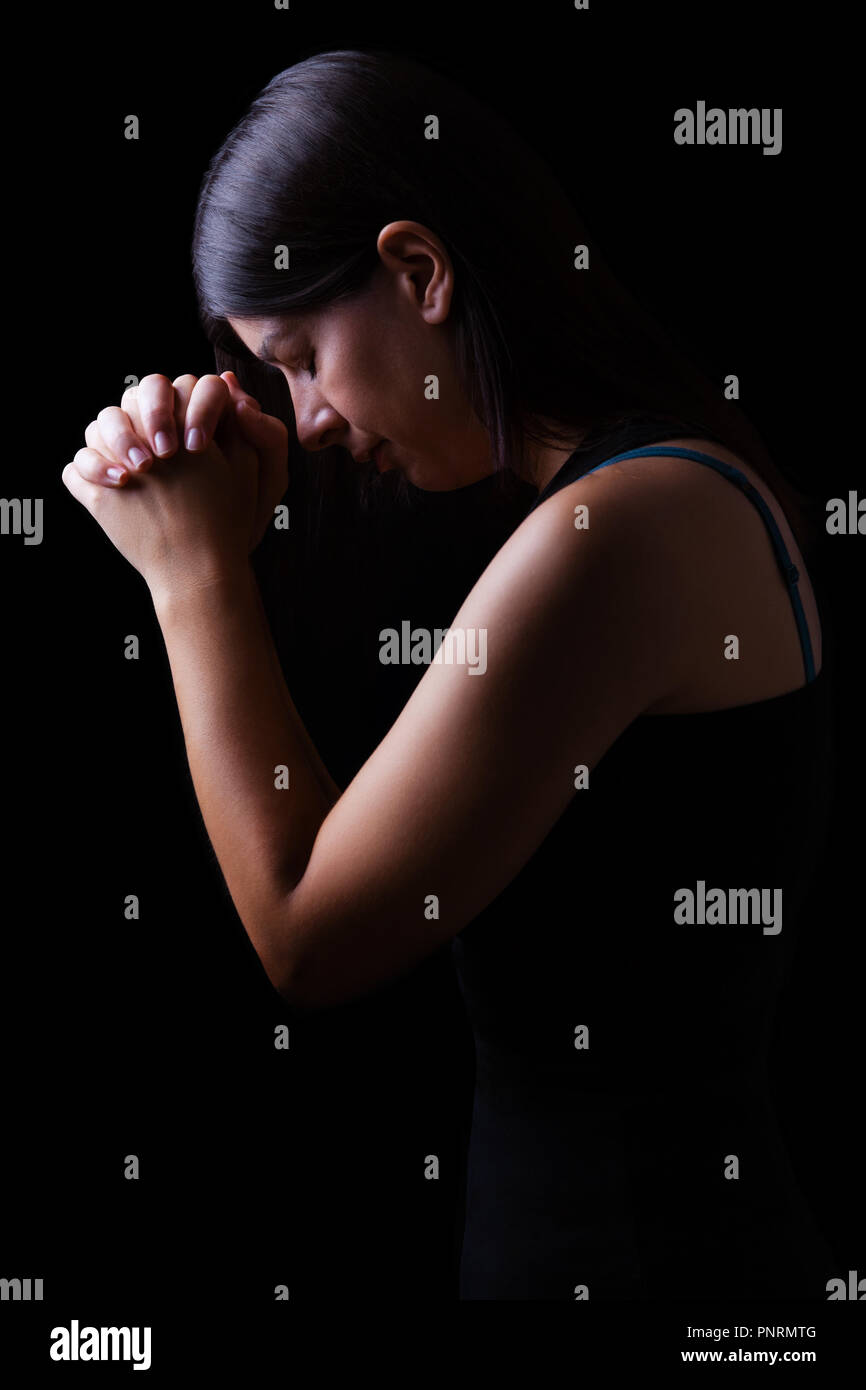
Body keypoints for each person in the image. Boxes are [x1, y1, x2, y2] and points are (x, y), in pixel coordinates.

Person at [62, 49, 835, 1299]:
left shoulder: (611, 534)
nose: (305, 415)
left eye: (302, 355)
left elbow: (309, 937)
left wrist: (189, 580)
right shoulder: (651, 487)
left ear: (417, 272)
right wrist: (226, 505)